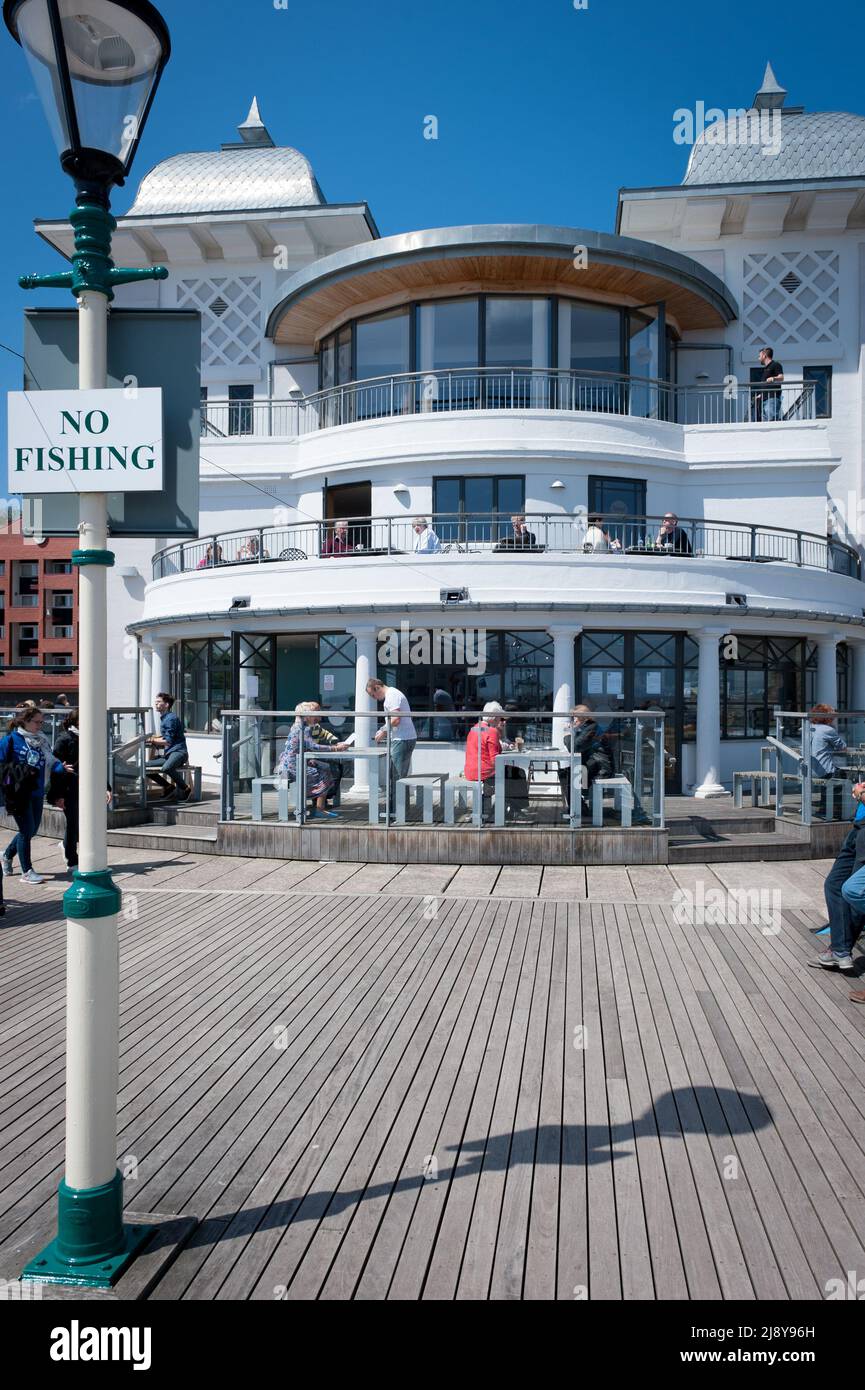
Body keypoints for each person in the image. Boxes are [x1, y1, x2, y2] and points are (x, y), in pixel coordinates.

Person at [0, 704, 69, 885]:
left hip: (37, 791)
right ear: (26, 721)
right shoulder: (11, 740)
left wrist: (61, 767)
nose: (40, 725)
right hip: (18, 793)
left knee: (31, 830)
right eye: (37, 722)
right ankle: (27, 871)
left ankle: (7, 855)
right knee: (26, 830)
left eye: (42, 721)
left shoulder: (41, 739)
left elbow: (50, 760)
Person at [809, 779, 865, 977]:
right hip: (857, 828)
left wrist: (860, 794)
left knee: (855, 893)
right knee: (834, 885)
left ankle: (840, 950)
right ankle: (840, 949)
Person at [275, 702, 348, 818]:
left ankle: (318, 807)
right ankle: (318, 808)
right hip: (294, 767)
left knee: (325, 767)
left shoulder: (297, 727)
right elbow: (313, 746)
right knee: (325, 773)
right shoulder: (303, 729)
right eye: (316, 715)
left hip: (291, 764)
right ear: (307, 715)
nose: (319, 718)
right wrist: (335, 748)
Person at [558, 705, 614, 815]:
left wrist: (568, 733)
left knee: (568, 775)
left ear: (582, 718)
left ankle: (578, 808)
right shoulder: (587, 728)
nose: (573, 720)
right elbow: (577, 747)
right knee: (567, 773)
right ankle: (578, 806)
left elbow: (574, 748)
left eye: (574, 718)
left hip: (601, 768)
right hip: (594, 764)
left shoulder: (591, 729)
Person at [367, 677, 417, 799]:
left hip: (402, 739)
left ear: (377, 687)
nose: (374, 699)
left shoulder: (392, 696)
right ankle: (400, 810)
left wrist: (383, 731)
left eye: (373, 695)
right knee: (399, 776)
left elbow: (395, 719)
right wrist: (384, 729)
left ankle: (398, 811)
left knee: (397, 776)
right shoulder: (393, 694)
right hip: (404, 737)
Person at [145, 693, 191, 802]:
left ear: (166, 704)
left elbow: (168, 742)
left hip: (179, 753)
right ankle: (168, 787)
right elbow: (167, 737)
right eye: (155, 702)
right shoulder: (165, 718)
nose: (156, 704)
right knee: (144, 766)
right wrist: (155, 738)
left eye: (159, 702)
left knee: (166, 768)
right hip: (169, 754)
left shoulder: (170, 719)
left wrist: (152, 740)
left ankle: (185, 788)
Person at [809, 703, 847, 779]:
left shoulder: (808, 727)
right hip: (823, 771)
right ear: (827, 717)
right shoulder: (828, 730)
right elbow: (843, 748)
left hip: (807, 770)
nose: (833, 719)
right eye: (832, 717)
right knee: (844, 776)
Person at [751, 346, 784, 421]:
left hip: (772, 399)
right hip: (764, 399)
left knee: (771, 421)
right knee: (765, 424)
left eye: (759, 356)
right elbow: (766, 386)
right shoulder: (766, 368)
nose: (758, 358)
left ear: (764, 355)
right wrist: (760, 395)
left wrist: (773, 378)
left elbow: (781, 377)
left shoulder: (775, 365)